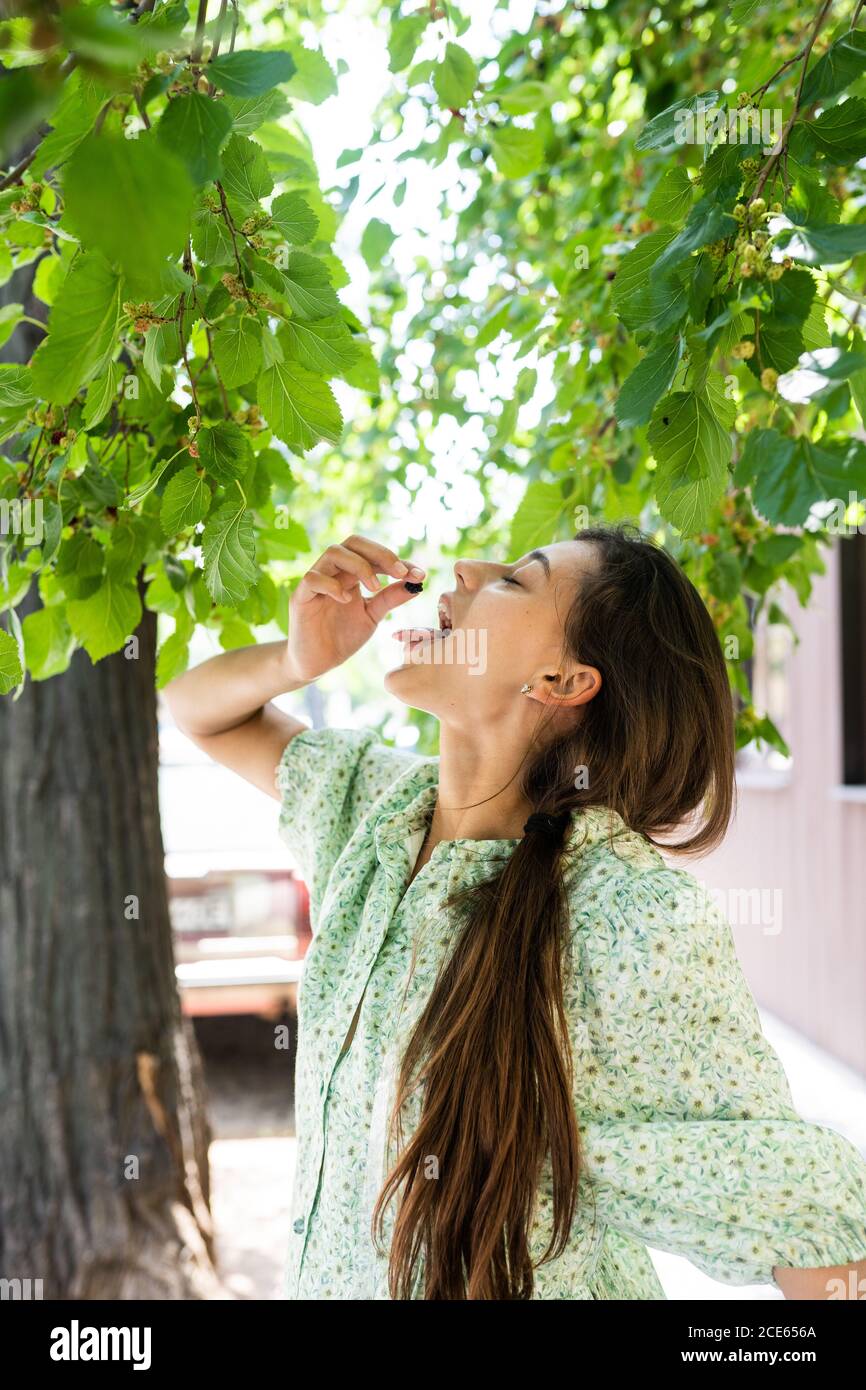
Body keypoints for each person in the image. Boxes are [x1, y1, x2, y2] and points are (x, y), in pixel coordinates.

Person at [165, 524, 866, 1300]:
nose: (466, 569)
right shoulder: (376, 806)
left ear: (563, 682)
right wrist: (296, 662)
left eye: (515, 580)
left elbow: (816, 1221)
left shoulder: (626, 913)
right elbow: (201, 712)